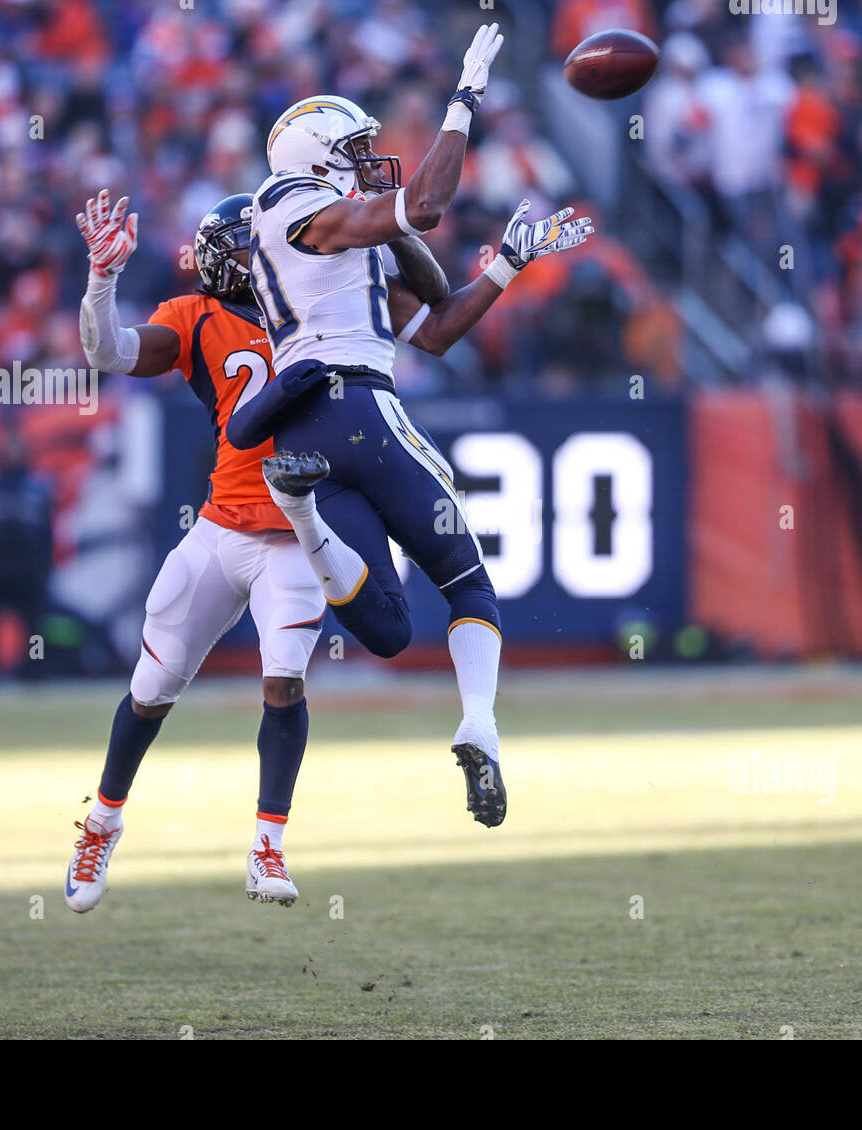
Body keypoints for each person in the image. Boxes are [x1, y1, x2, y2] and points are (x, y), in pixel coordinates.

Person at [224, 24, 591, 829]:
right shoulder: (292, 206)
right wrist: (465, 97)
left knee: (387, 631)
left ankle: (303, 518)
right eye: (351, 149)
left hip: (304, 438)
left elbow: (432, 327)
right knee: (467, 583)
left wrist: (508, 262)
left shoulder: (339, 237)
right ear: (315, 157)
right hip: (360, 410)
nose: (365, 161)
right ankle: (480, 723)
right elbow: (421, 204)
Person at [63, 188, 449, 912]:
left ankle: (268, 843)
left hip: (299, 531)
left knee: (284, 680)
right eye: (254, 244)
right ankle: (102, 821)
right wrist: (102, 281)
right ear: (224, 258)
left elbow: (432, 322)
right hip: (221, 527)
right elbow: (108, 352)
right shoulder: (195, 316)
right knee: (153, 689)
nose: (270, 252)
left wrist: (415, 240)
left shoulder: (319, 302)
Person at [0, 432, 53, 681]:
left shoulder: (37, 491)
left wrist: (44, 568)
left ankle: (33, 671)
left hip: (26, 572)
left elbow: (46, 534)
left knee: (33, 628)